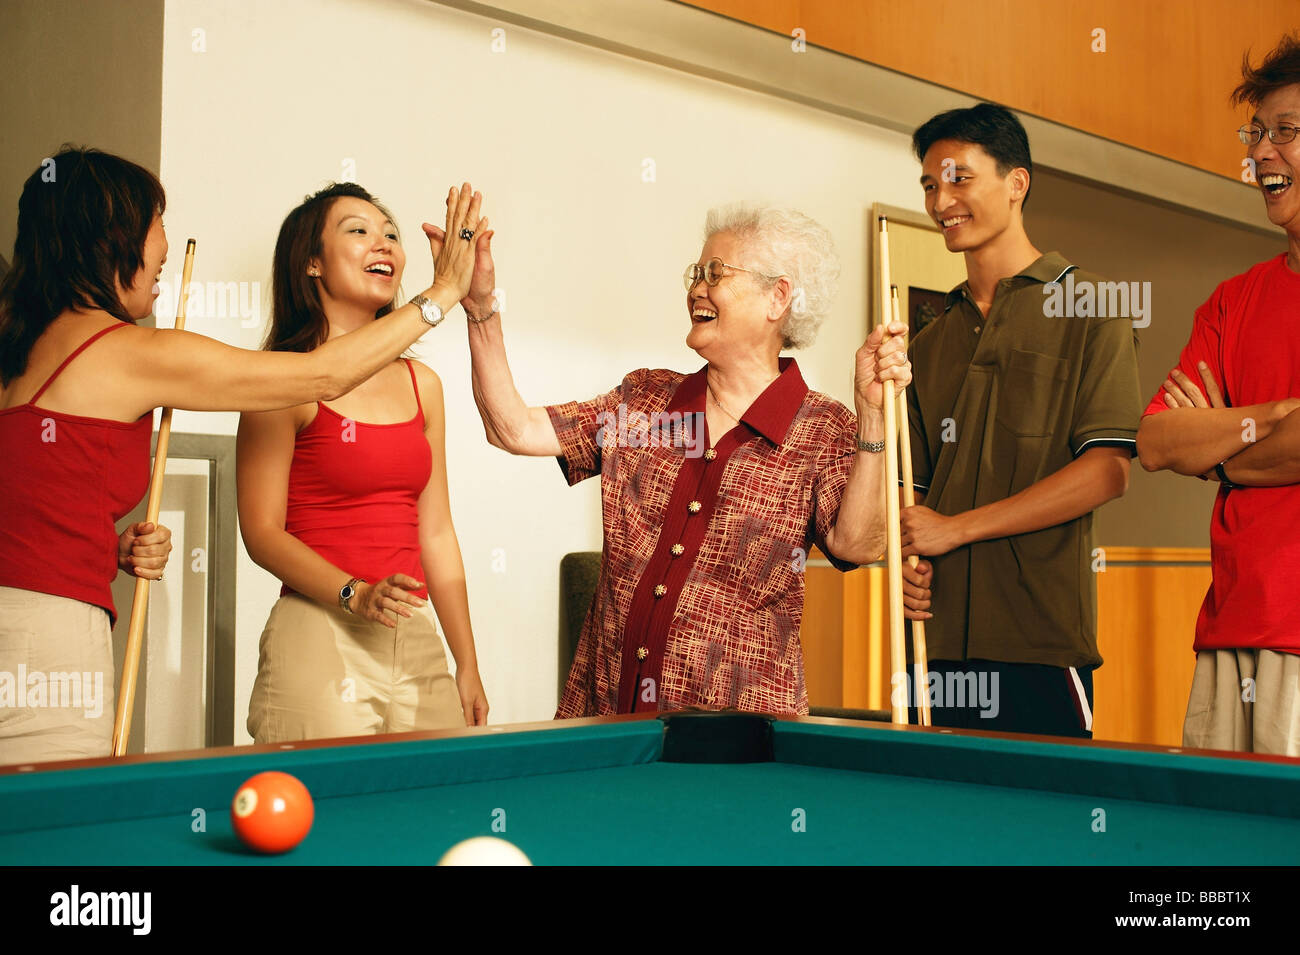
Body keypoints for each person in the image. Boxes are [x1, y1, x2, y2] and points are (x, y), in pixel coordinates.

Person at [0, 147, 483, 764]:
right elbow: (320, 376)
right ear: (113, 237)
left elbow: (32, 492)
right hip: (48, 644)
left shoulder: (21, 346)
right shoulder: (124, 349)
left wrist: (100, 542)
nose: (166, 245)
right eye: (155, 220)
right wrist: (442, 294)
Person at [427, 202, 910, 716]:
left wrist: (873, 418)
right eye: (696, 273)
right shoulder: (645, 400)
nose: (697, 288)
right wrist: (480, 308)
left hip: (732, 742)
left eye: (716, 273)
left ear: (778, 296)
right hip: (605, 721)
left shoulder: (822, 426)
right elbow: (514, 428)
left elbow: (857, 545)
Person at [899, 103, 1142, 738]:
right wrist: (913, 555)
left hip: (1041, 641)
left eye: (959, 178)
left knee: (1047, 831)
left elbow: (1107, 473)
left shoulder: (1092, 306)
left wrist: (954, 531)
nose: (940, 199)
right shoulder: (927, 343)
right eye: (929, 184)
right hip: (939, 642)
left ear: (1017, 182)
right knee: (945, 827)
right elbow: (917, 500)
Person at [239, 183, 488, 742]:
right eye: (358, 230)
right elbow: (261, 533)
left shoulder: (424, 385)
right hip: (319, 630)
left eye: (391, 234)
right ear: (310, 263)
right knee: (320, 813)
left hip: (413, 633)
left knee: (436, 807)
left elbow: (438, 533)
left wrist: (464, 660)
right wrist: (356, 593)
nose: (384, 244)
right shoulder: (281, 379)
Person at [1136, 35, 1300, 756]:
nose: (1263, 153)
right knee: (1215, 853)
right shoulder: (1232, 302)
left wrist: (1221, 451)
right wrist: (1270, 417)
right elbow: (1155, 441)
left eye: (1286, 132)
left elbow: (1194, 443)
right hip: (1228, 627)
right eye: (1256, 134)